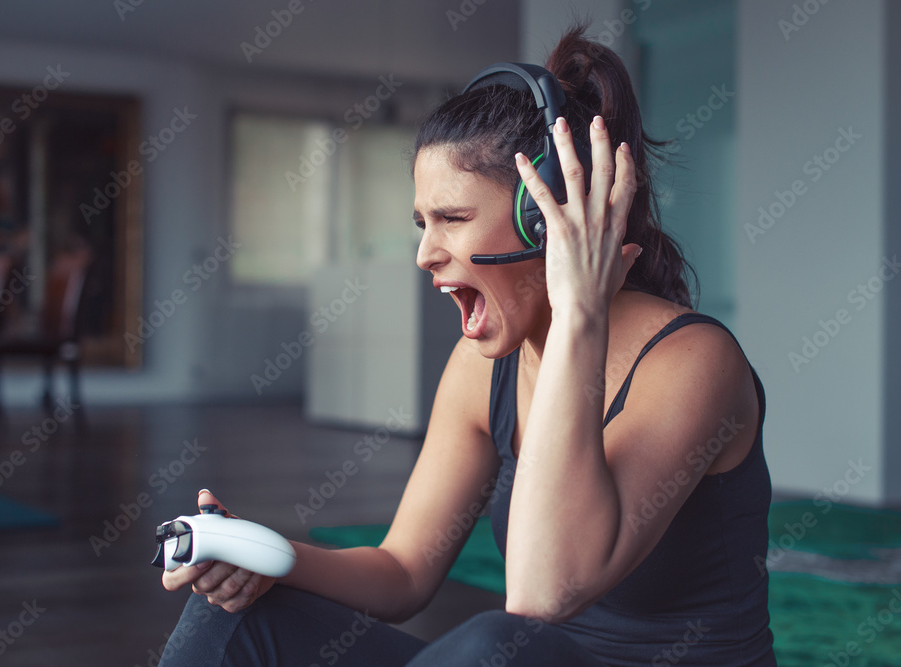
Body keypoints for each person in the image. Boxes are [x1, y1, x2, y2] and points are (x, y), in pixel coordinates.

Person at [159, 25, 777, 666]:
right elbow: (402, 572)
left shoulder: (693, 362)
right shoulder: (485, 368)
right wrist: (268, 560)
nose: (426, 254)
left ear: (548, 220)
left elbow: (541, 594)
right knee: (230, 621)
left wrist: (577, 315)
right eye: (423, 223)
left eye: (452, 219)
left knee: (495, 643)